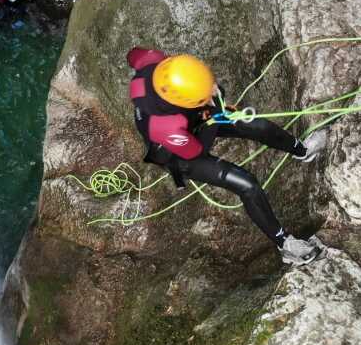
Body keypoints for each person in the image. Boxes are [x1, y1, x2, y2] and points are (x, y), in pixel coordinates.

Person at [127, 47, 328, 266]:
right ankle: (285, 245)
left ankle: (302, 151)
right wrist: (212, 119)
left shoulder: (155, 61)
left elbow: (133, 54)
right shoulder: (165, 127)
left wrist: (209, 95)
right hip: (179, 152)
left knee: (256, 125)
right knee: (247, 185)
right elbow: (195, 151)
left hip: (194, 115)